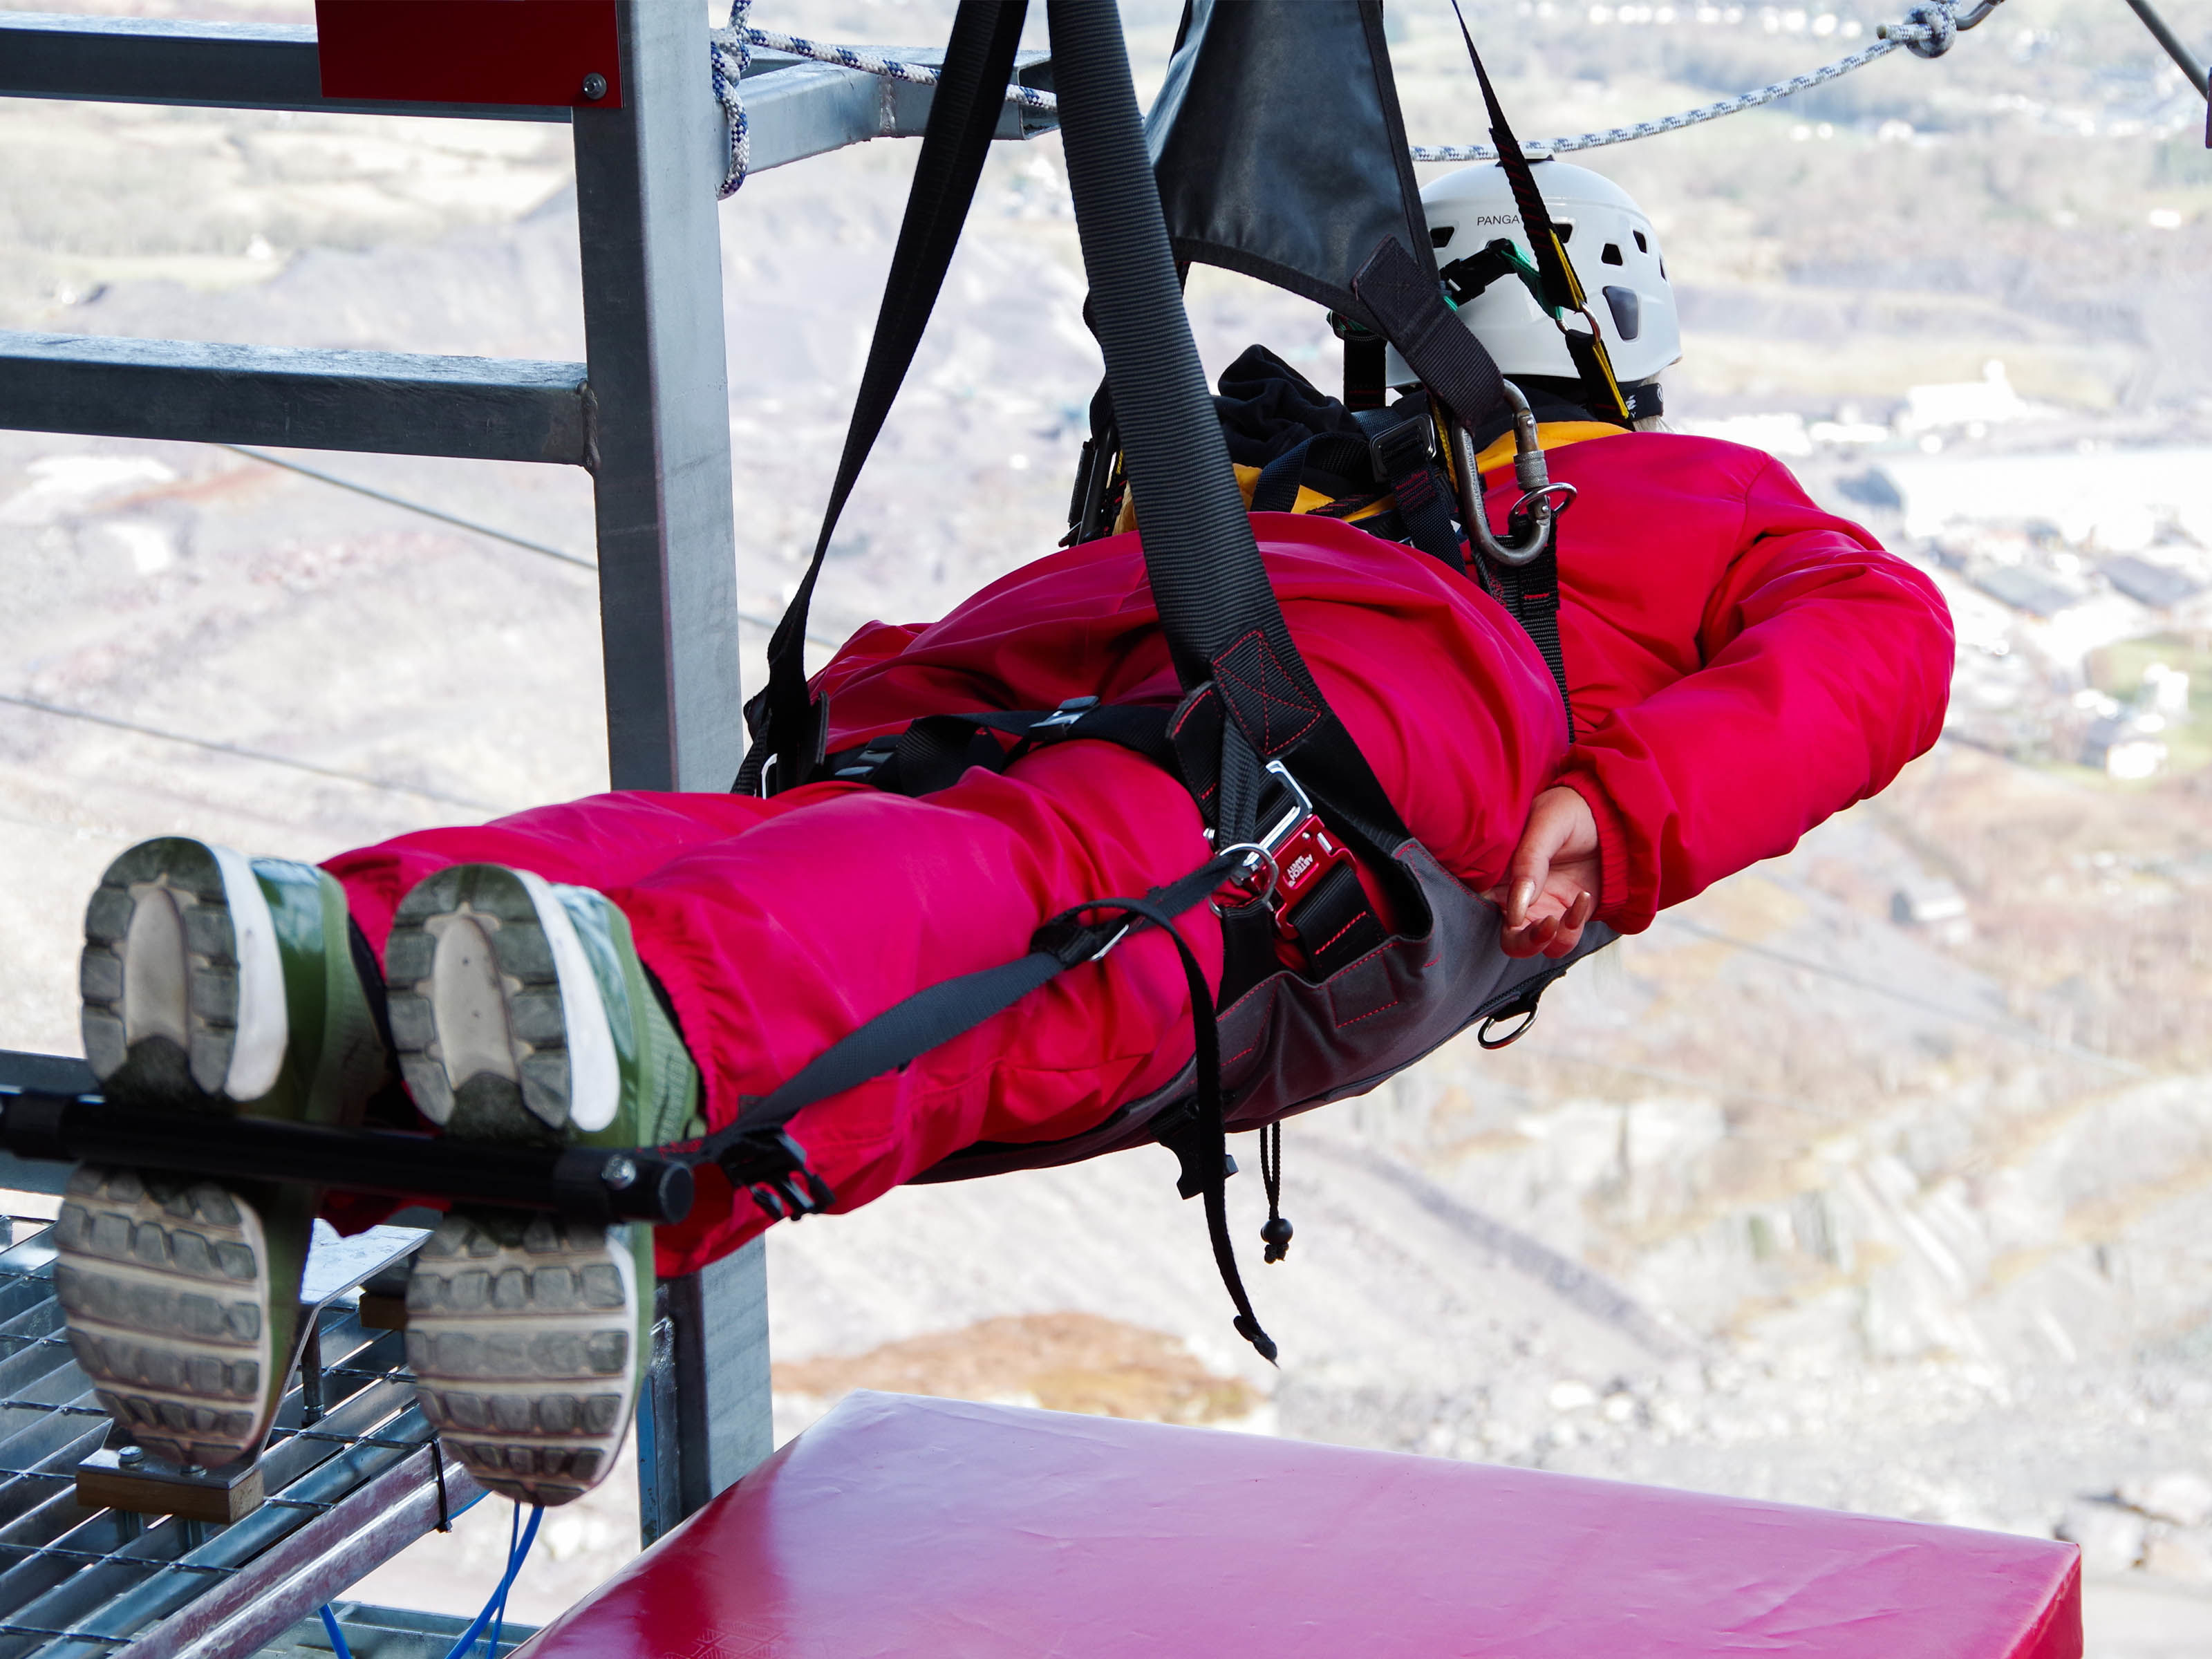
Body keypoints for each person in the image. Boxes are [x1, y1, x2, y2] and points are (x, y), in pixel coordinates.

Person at [50, 160, 1953, 1508]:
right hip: (1242, 742)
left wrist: (1614, 813)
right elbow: (1876, 650)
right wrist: (1611, 812)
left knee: (865, 874)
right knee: (906, 893)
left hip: (1198, 732)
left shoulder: (1474, 491)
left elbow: (1876, 652)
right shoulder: (1603, 499)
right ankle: (479, 1064)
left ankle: (404, 980)